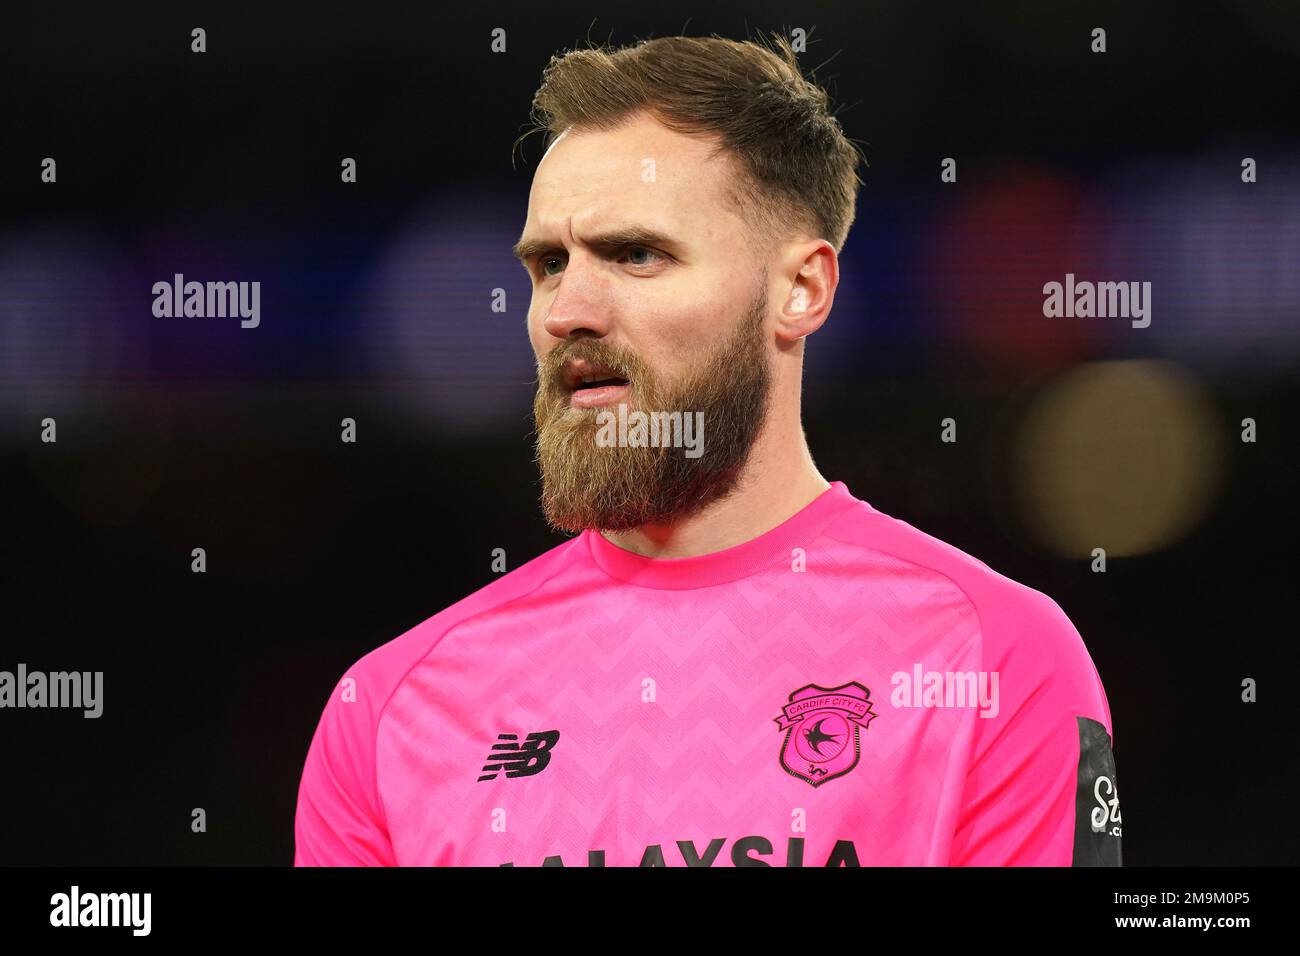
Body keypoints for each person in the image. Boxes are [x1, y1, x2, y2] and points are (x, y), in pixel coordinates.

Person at [293, 33, 1120, 866]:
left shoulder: (993, 664)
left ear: (801, 289)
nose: (566, 311)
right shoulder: (393, 711)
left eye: (636, 254)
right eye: (549, 263)